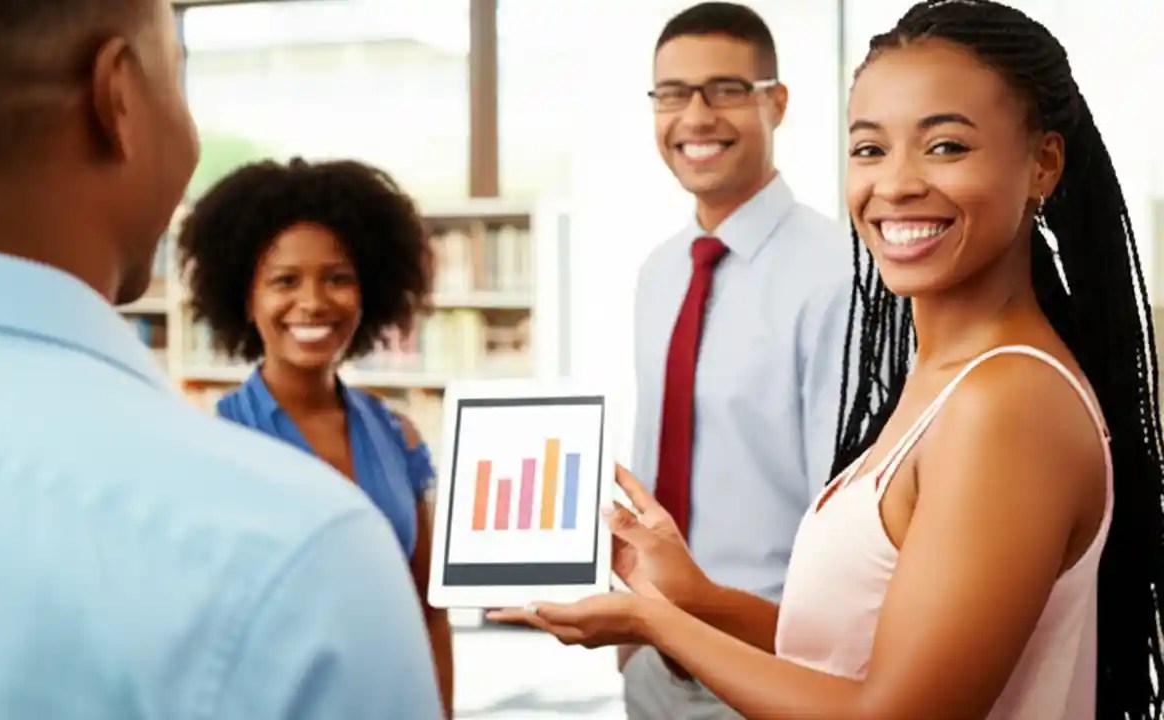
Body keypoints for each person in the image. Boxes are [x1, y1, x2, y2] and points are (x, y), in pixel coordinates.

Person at [492, 0, 1164, 717]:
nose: (895, 184)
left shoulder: (1007, 403)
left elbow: (894, 714)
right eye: (870, 149)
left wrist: (654, 623)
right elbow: (854, 656)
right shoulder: (942, 380)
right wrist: (696, 598)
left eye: (945, 146)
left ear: (1043, 165)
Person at [0, 2, 442, 718]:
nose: (313, 301)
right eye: (178, 79)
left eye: (338, 277)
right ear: (118, 94)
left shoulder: (373, 456)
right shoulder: (298, 548)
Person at [621, 3, 852, 717]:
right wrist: (638, 632)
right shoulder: (661, 272)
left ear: (775, 103)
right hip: (656, 663)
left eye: (724, 90)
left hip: (776, 662)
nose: (695, 116)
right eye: (672, 94)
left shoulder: (840, 274)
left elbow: (844, 513)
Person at [175, 157, 455, 717]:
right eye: (285, 280)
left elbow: (429, 609)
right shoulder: (217, 445)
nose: (313, 302)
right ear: (246, 298)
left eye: (337, 278)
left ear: (368, 291)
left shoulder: (396, 435)